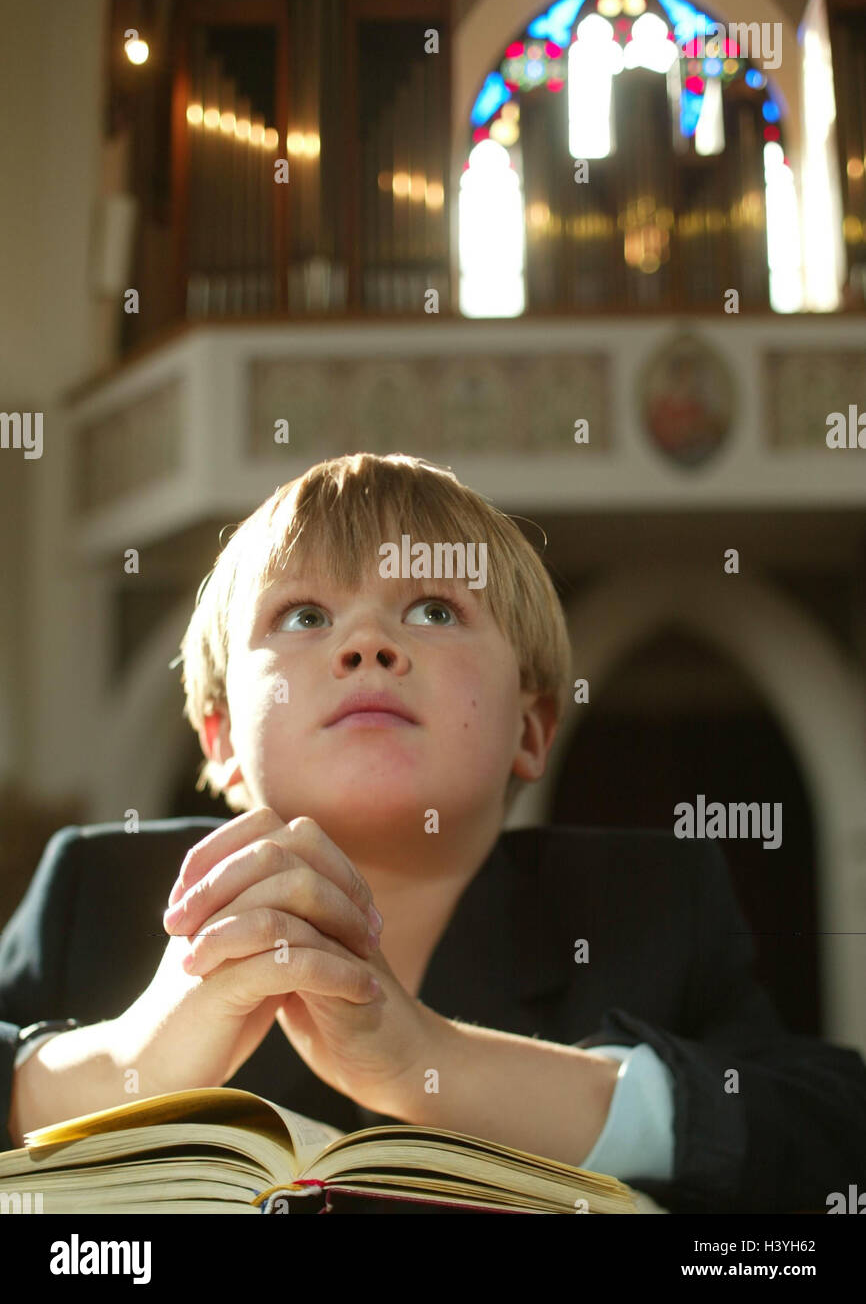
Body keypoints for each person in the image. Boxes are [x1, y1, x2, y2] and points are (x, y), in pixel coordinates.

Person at [2, 451, 865, 1213]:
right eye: (304, 616)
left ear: (530, 730)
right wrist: (125, 1063)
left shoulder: (650, 901)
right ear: (221, 737)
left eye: (434, 611)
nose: (368, 643)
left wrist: (434, 1063)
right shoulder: (97, 888)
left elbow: (830, 1131)